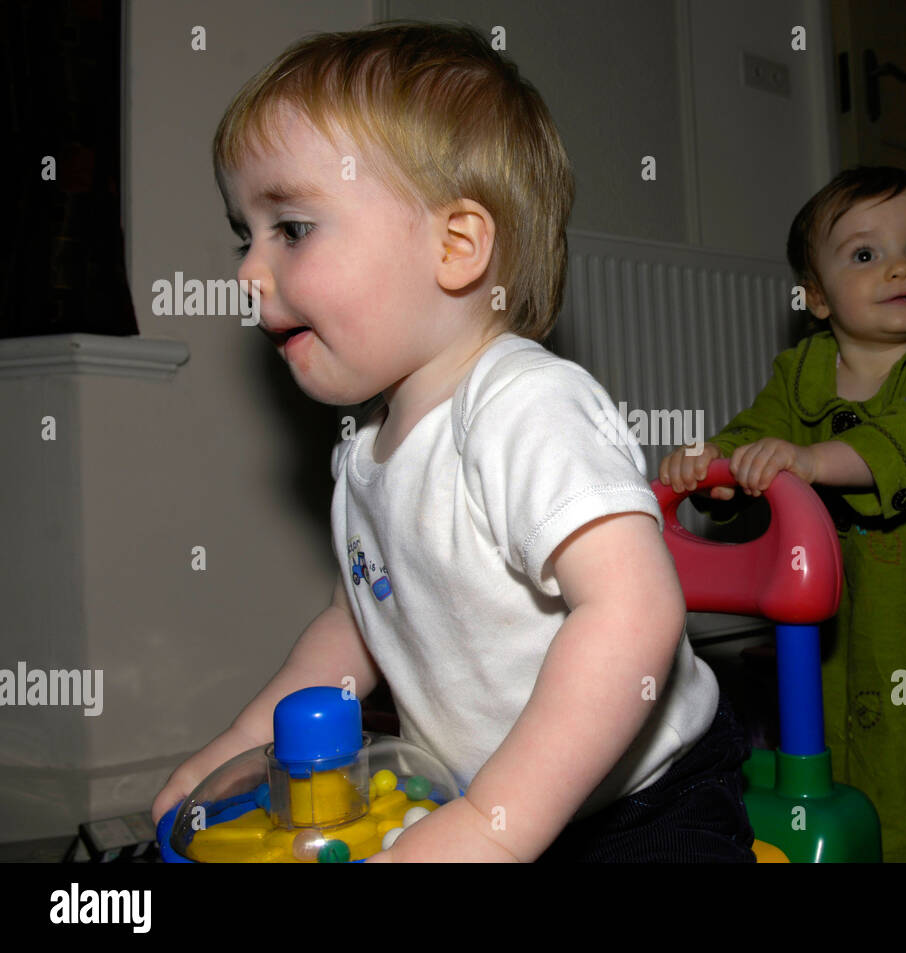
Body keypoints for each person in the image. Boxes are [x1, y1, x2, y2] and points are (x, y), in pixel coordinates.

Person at [151, 21, 754, 863]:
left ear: (457, 245)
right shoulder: (365, 449)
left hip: (643, 800)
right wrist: (242, 752)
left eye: (289, 227)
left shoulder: (523, 405)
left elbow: (635, 610)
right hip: (491, 801)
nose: (249, 271)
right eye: (241, 235)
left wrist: (491, 827)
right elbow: (352, 626)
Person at [660, 166, 906, 862]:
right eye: (864, 254)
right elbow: (752, 434)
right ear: (816, 296)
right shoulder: (800, 374)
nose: (900, 267)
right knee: (864, 757)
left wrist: (812, 460)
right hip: (852, 626)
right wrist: (711, 469)